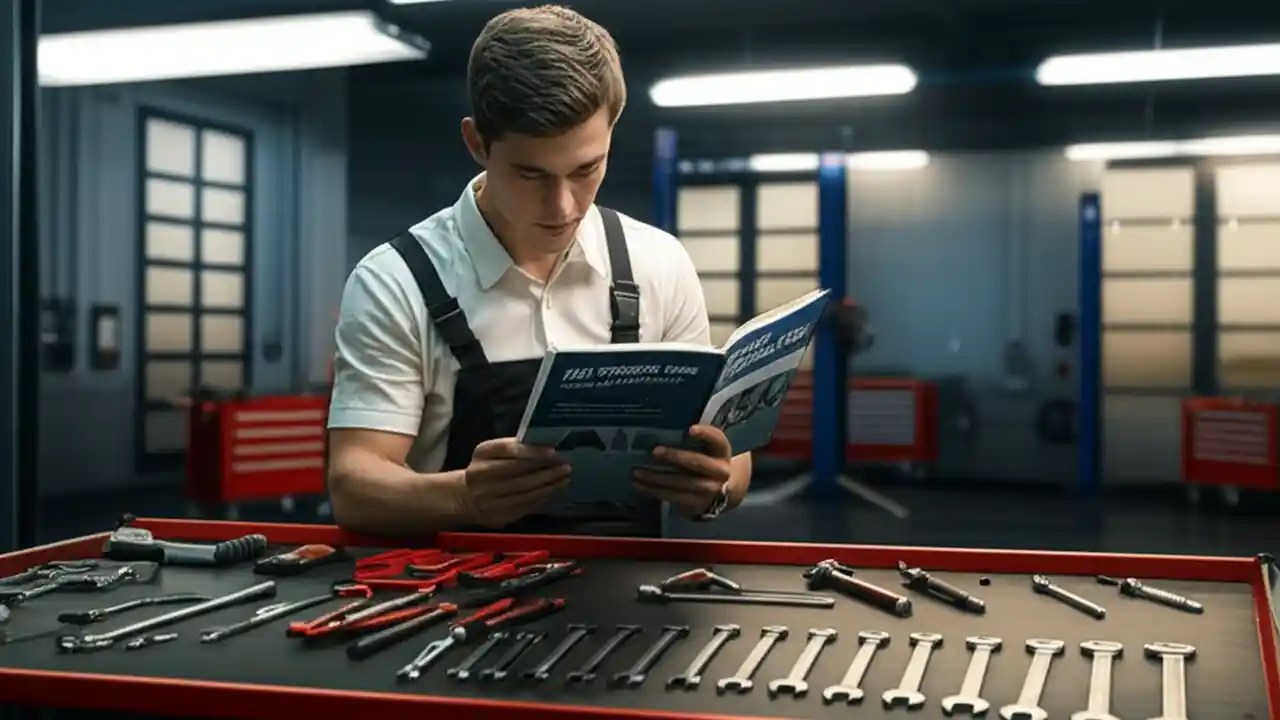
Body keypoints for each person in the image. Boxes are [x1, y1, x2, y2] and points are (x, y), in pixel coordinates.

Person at [325, 4, 753, 538]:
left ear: (611, 137)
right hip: (457, 606)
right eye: (531, 174)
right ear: (477, 143)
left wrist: (717, 485)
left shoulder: (657, 263)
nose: (563, 206)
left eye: (585, 169)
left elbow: (729, 457)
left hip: (628, 603)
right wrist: (460, 496)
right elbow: (353, 485)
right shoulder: (396, 281)